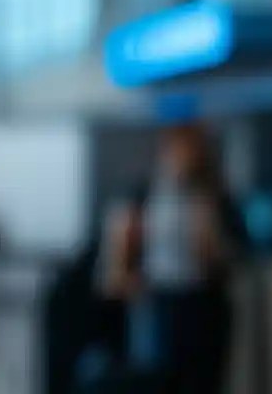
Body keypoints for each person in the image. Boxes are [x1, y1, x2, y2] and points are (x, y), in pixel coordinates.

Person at [104, 123, 244, 394]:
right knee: (161, 375)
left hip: (203, 300)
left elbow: (233, 252)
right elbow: (123, 248)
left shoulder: (215, 196)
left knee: (203, 377)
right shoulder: (145, 192)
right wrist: (126, 272)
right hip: (161, 298)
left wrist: (212, 241)